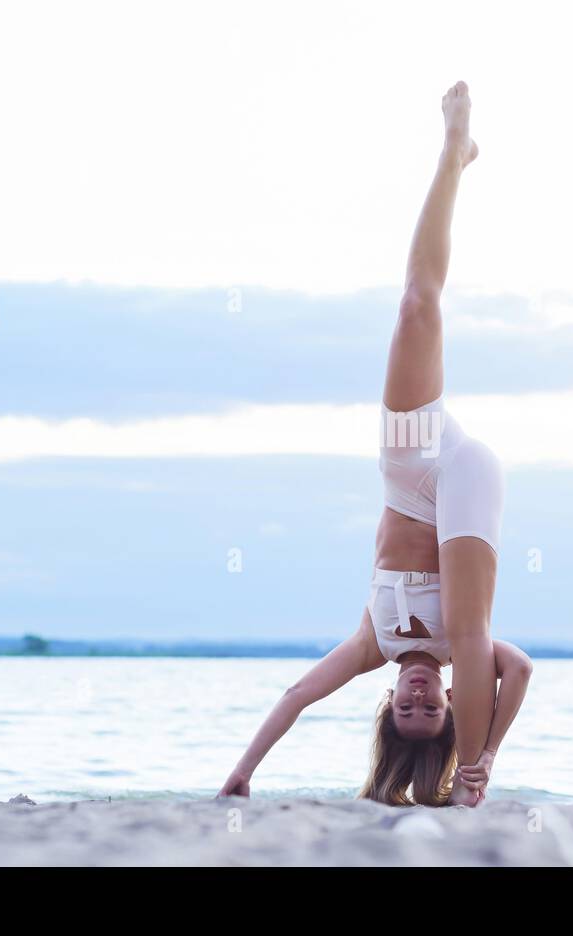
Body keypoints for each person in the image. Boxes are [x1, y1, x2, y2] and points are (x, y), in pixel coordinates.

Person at [217, 82, 530, 807]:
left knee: (415, 306)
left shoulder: (370, 645)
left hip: (407, 469)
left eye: (405, 709)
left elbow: (298, 694)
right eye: (432, 710)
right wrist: (482, 757)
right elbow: (520, 672)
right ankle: (468, 787)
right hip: (464, 482)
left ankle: (454, 156)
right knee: (474, 629)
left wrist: (243, 772)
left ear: (387, 702)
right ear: (450, 702)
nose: (418, 698)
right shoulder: (462, 656)